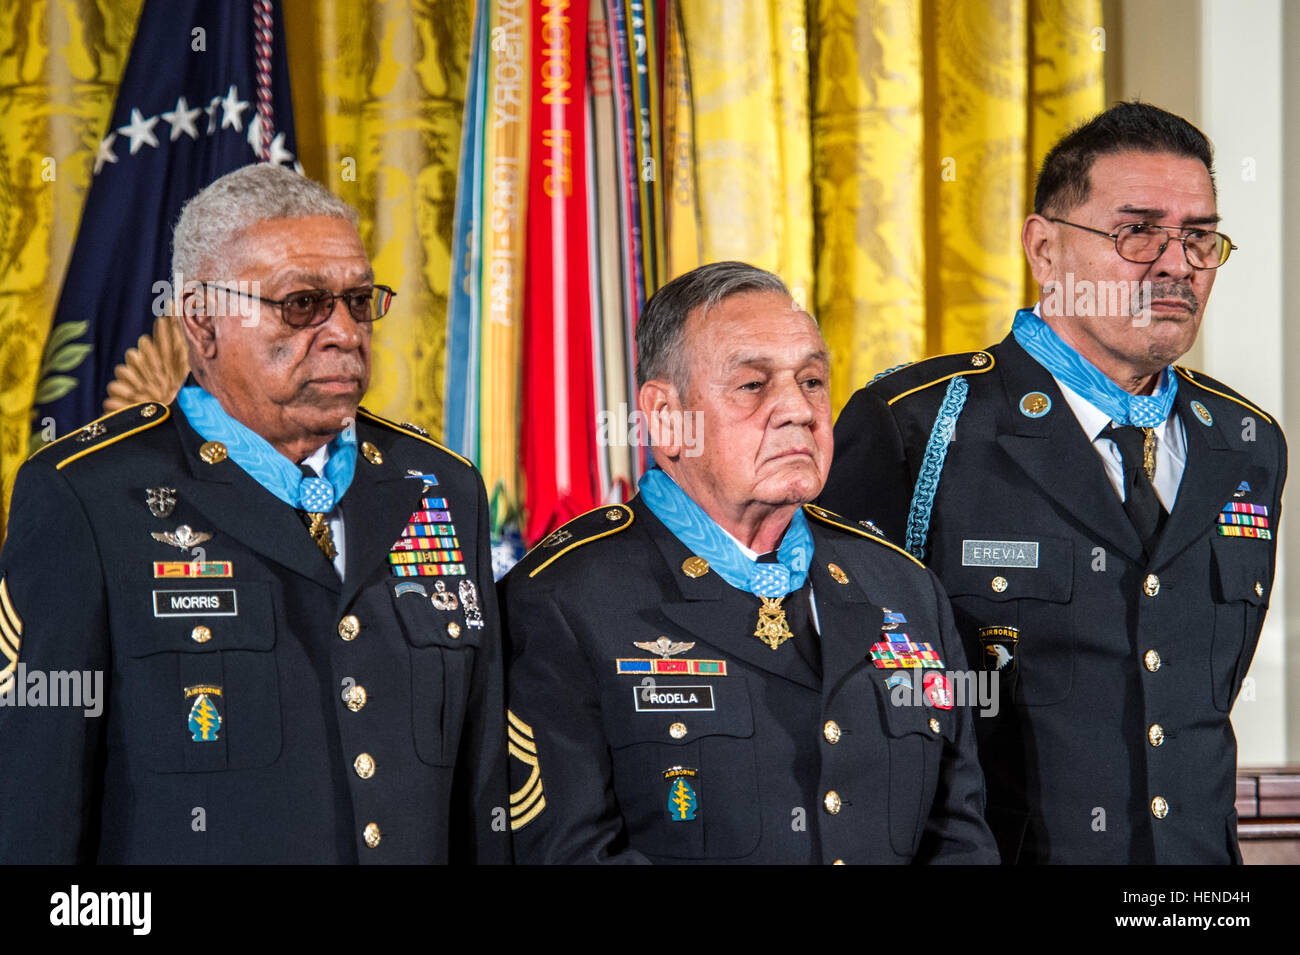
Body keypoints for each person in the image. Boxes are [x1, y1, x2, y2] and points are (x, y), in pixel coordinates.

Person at [0, 163, 508, 863]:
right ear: (202, 322)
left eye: (359, 301)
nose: (344, 333)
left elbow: (486, 799)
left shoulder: (442, 488)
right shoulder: (87, 495)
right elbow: (33, 813)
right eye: (303, 303)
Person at [820, 102, 1286, 864]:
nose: (1176, 264)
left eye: (1199, 237)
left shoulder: (1247, 443)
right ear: (1044, 248)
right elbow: (852, 699)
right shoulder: (919, 424)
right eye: (1137, 231)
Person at [500, 261, 998, 864]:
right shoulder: (563, 600)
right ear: (666, 418)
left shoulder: (903, 584)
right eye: (753, 385)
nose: (798, 410)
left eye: (812, 381)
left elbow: (958, 836)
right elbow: (568, 854)